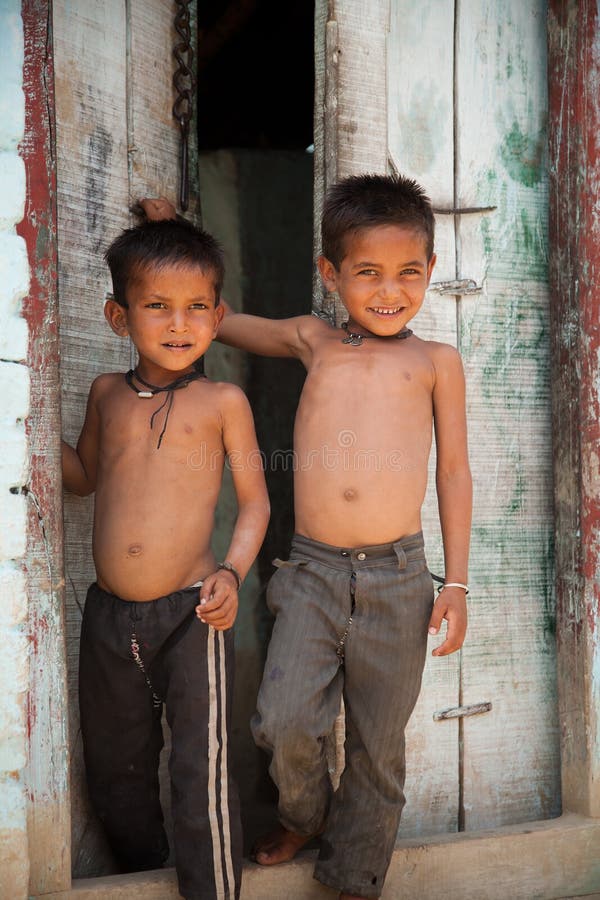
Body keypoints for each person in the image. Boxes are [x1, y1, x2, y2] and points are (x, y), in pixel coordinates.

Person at [140, 172, 472, 900]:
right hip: (314, 571)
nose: (389, 291)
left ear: (430, 271)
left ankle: (356, 874)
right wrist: (171, 239)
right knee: (283, 719)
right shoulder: (312, 339)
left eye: (408, 272)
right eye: (368, 273)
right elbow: (217, 320)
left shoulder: (436, 362)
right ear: (331, 273)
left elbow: (453, 472)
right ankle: (306, 815)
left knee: (379, 745)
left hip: (399, 577)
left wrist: (455, 582)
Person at [61, 217, 270, 900]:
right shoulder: (105, 394)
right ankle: (145, 874)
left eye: (196, 307)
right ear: (118, 317)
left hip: (192, 614)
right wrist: (24, 422)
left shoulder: (222, 402)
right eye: (157, 306)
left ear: (218, 317)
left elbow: (256, 504)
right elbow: (83, 477)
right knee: (114, 772)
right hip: (108, 617)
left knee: (199, 770)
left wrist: (231, 573)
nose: (179, 324)